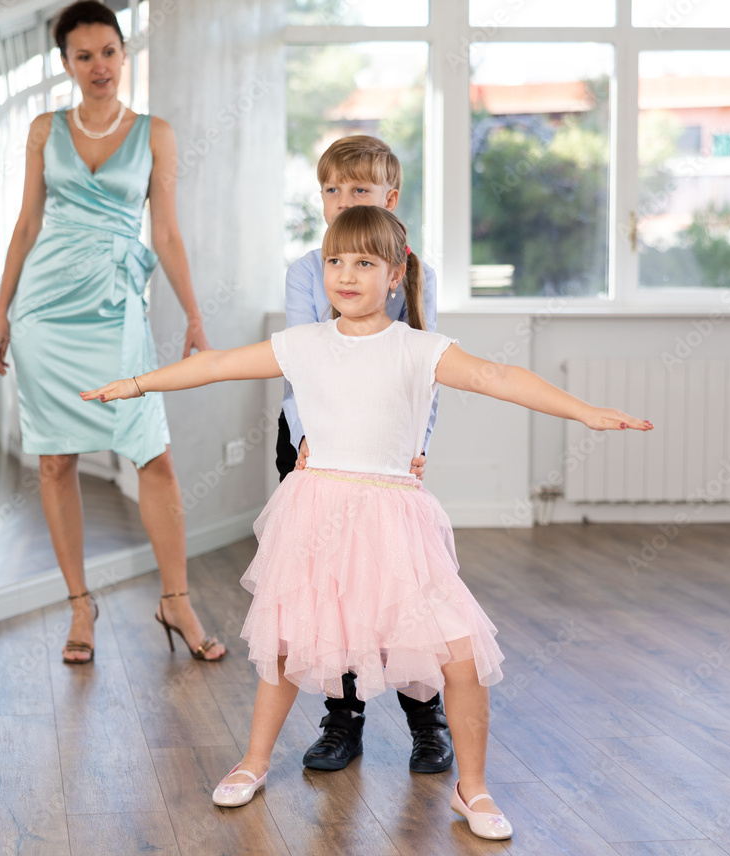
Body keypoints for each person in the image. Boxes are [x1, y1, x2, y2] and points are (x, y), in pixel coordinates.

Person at [81, 206, 652, 840]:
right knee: (290, 649)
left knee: (460, 655)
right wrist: (136, 384)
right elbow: (214, 365)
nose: (345, 276)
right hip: (318, 514)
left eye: (363, 262)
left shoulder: (419, 348)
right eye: (334, 261)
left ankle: (474, 789)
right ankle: (252, 761)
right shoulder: (302, 344)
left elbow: (498, 376)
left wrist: (585, 412)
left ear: (396, 272)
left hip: (396, 524)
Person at [0, 1, 225, 665]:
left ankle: (175, 599)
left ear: (125, 54)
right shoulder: (43, 129)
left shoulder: (156, 133)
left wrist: (196, 314)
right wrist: (2, 311)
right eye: (84, 55)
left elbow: (167, 233)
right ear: (65, 64)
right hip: (45, 310)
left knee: (153, 454)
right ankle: (79, 605)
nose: (99, 66)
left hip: (117, 307)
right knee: (57, 458)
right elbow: (26, 226)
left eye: (109, 52)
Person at [278, 134, 450, 775]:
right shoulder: (306, 271)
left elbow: (426, 369)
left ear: (391, 199)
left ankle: (426, 721)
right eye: (330, 190)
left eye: (358, 190)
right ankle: (341, 719)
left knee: (398, 587)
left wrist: (418, 445)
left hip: (385, 453)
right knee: (330, 589)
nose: (341, 200)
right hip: (313, 446)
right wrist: (307, 441)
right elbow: (298, 364)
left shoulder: (414, 274)